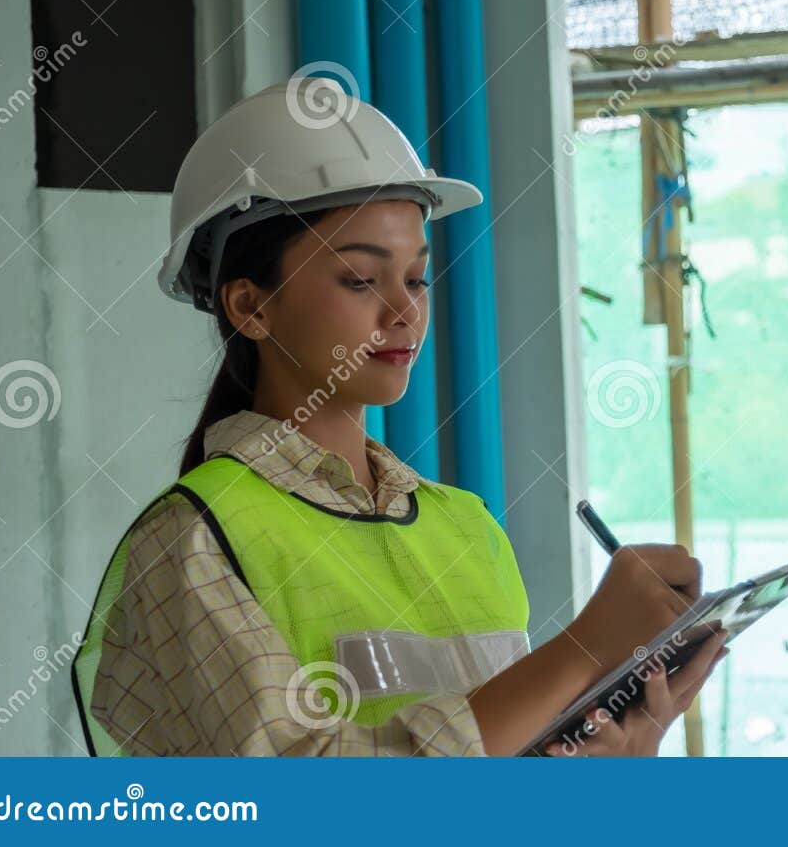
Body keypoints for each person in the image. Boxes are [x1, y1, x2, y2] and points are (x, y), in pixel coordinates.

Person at [71, 79, 725, 756]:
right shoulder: (191, 540)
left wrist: (620, 746)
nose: (405, 311)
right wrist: (583, 649)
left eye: (415, 278)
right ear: (251, 306)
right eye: (361, 279)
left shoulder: (466, 527)